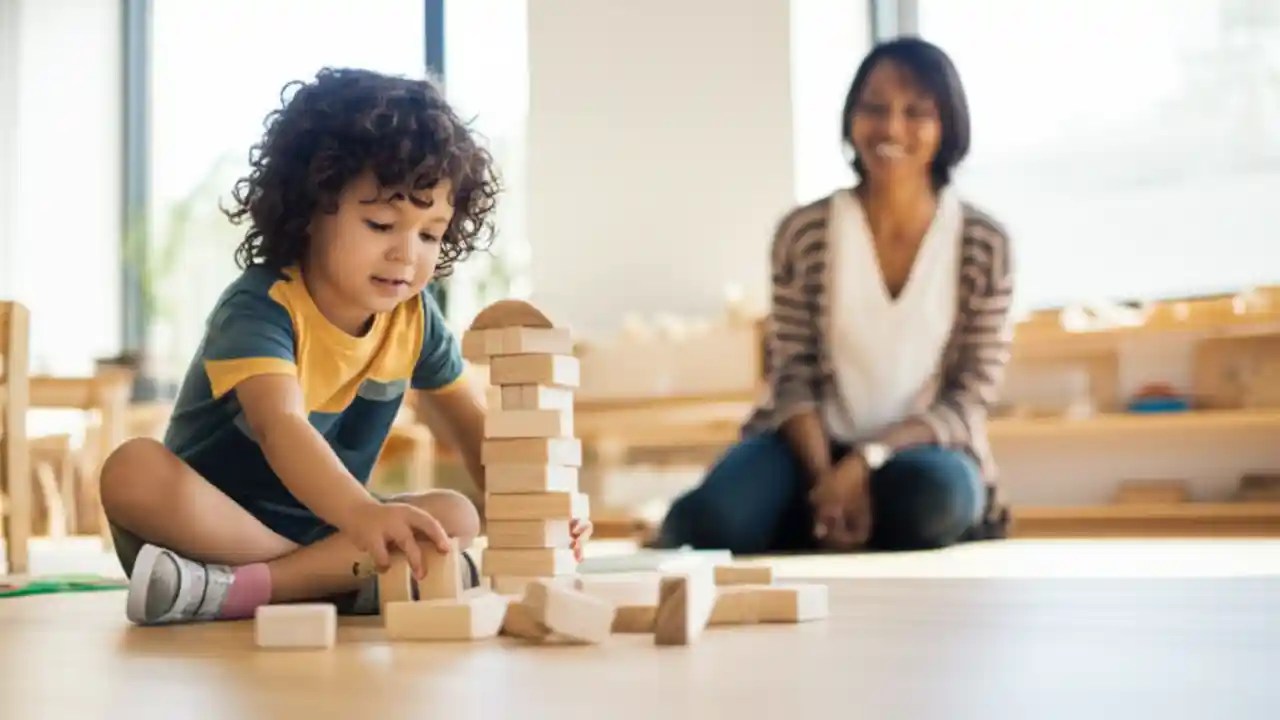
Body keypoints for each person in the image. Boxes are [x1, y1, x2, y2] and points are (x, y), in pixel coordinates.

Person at [101, 68, 592, 625]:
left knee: (455, 516)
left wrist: (541, 510)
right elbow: (280, 427)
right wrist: (360, 516)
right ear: (311, 207)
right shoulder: (263, 305)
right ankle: (326, 581)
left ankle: (244, 590)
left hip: (331, 531)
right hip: (206, 529)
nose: (407, 255)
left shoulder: (415, 320)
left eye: (430, 233)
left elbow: (474, 435)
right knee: (130, 468)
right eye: (382, 223)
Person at [657, 38, 1014, 554]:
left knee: (930, 501)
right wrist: (828, 477)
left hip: (921, 452)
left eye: (916, 111)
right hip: (806, 449)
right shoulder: (805, 233)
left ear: (947, 126)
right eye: (874, 108)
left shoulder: (984, 244)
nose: (891, 128)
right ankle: (826, 514)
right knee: (710, 521)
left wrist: (864, 463)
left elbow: (969, 398)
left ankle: (827, 519)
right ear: (851, 118)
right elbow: (793, 375)